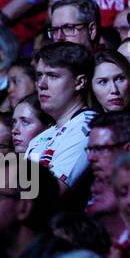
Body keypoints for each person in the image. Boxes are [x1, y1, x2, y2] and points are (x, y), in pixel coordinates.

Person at [25, 42, 96, 188]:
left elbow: (54, 194)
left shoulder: (89, 126)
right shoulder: (38, 140)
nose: (41, 84)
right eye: (39, 76)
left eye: (53, 76)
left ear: (79, 82)